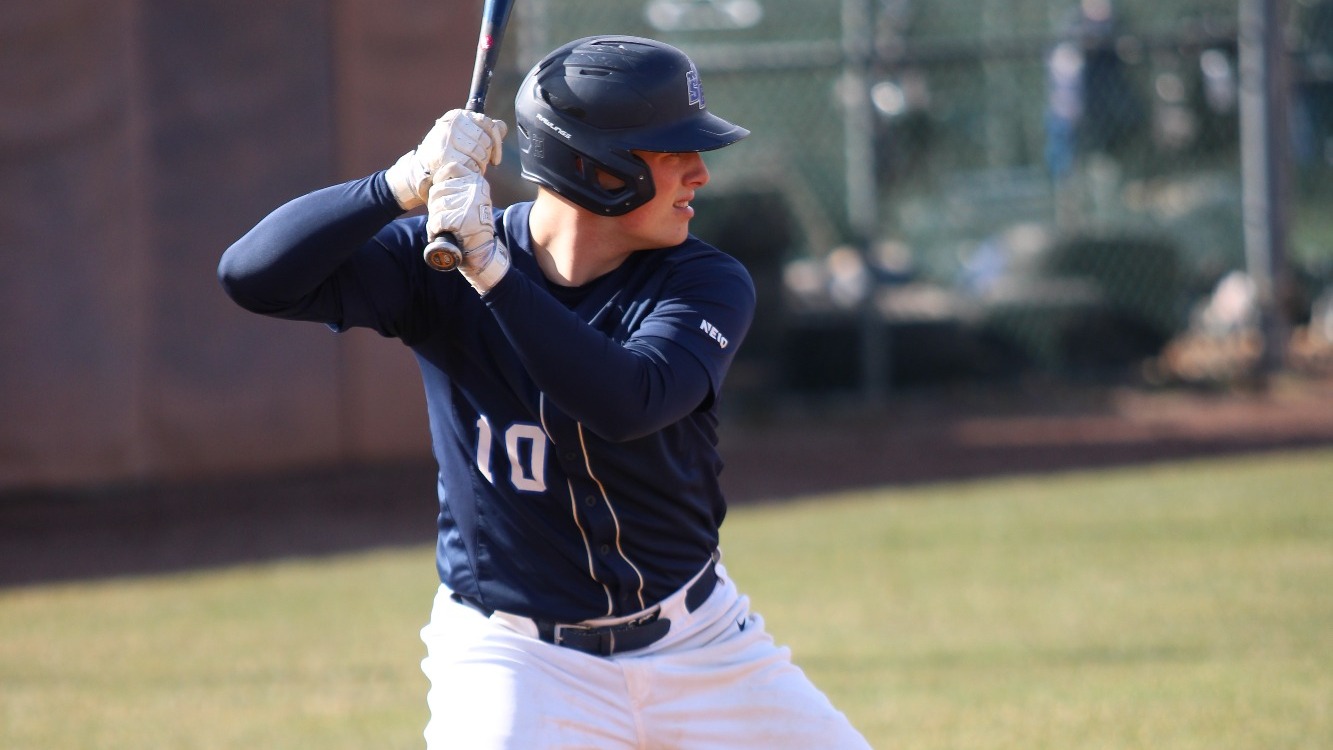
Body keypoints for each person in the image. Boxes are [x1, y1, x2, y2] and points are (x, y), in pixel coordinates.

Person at [219, 34, 870, 749]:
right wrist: (398, 185)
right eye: (671, 151)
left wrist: (492, 272)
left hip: (703, 643)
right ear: (598, 168)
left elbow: (630, 401)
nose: (698, 174)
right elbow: (254, 277)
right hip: (515, 660)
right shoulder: (436, 266)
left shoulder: (703, 281)